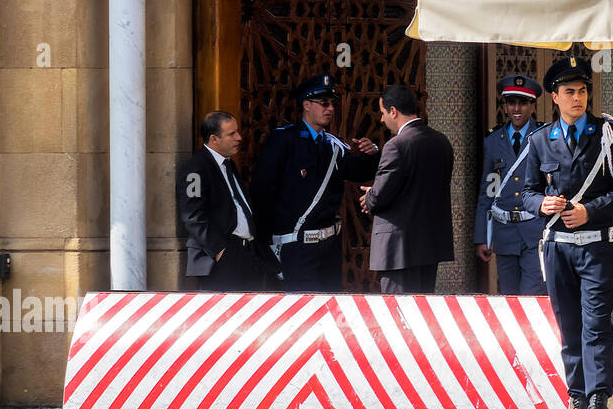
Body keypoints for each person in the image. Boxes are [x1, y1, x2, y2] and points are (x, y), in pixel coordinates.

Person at [521, 56, 613, 409]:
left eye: (583, 90)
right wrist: (540, 204)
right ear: (554, 97)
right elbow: (525, 191)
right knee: (569, 326)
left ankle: (598, 404)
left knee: (595, 325)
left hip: (597, 247)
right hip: (557, 248)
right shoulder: (540, 140)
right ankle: (576, 401)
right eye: (569, 91)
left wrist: (590, 211)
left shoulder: (611, 134)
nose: (578, 98)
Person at [251, 74, 379, 293]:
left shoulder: (334, 145)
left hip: (329, 246)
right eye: (324, 103)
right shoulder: (283, 140)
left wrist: (372, 153)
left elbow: (359, 172)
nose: (330, 108)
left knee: (330, 305)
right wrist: (265, 243)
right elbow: (263, 193)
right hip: (295, 245)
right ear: (306, 105)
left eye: (332, 104)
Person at [359, 84, 455, 294]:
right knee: (422, 312)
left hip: (399, 251)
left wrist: (369, 197)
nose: (382, 120)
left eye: (383, 113)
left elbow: (381, 195)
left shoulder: (396, 145)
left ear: (393, 111)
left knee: (398, 315)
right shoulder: (442, 141)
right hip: (430, 247)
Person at [178, 111, 279, 290]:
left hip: (246, 254)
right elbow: (193, 215)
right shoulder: (196, 167)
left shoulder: (228, 164)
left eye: (237, 131)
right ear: (214, 139)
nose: (239, 137)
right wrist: (219, 251)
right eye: (231, 134)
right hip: (221, 259)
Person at [472, 74, 545, 294]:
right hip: (505, 233)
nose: (516, 108)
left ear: (533, 106)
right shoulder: (493, 140)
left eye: (523, 102)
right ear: (504, 106)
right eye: (511, 102)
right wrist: (483, 238)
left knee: (533, 296)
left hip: (535, 231)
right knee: (510, 297)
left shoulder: (544, 136)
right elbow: (488, 191)